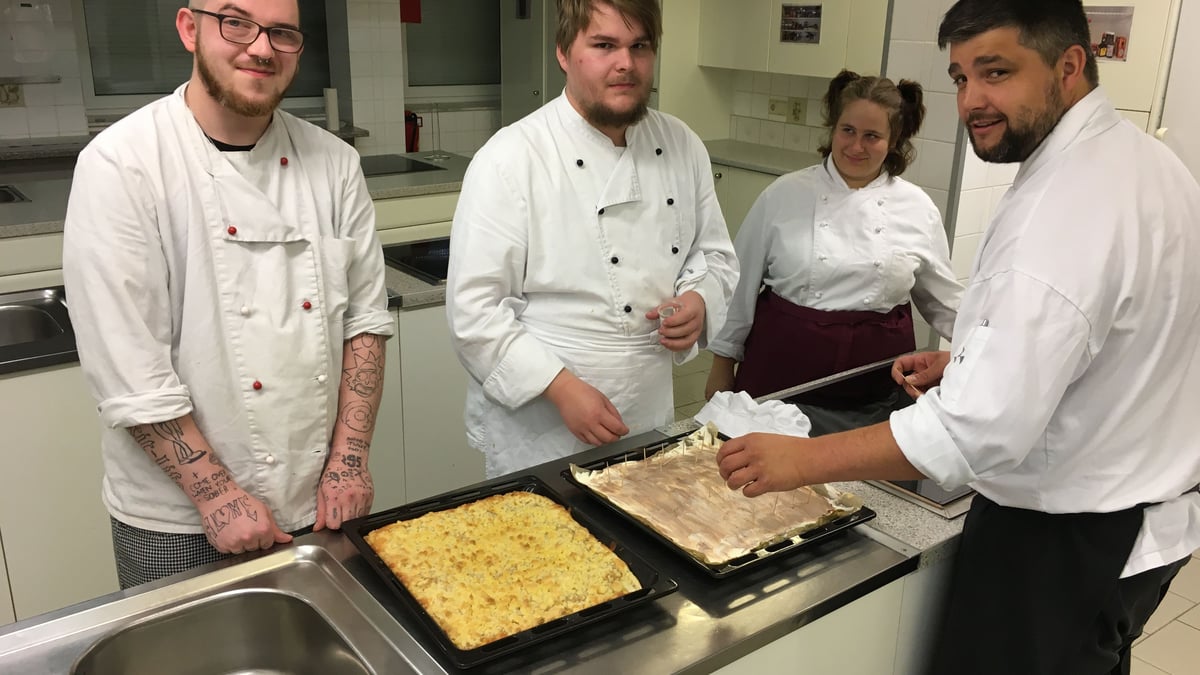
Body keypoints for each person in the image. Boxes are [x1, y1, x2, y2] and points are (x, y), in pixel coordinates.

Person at [714, 1, 1200, 672]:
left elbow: (974, 432)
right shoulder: (1149, 162)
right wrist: (971, 358)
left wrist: (800, 460)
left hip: (1068, 532)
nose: (972, 99)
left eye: (996, 71)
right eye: (960, 77)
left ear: (1069, 65)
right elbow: (1117, 333)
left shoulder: (1064, 209)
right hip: (1144, 516)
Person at [62, 0, 394, 588]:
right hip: (180, 522)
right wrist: (214, 494)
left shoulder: (336, 164)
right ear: (190, 28)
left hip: (321, 500)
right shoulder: (122, 164)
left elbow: (364, 323)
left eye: (282, 33)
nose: (261, 48)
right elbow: (129, 366)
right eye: (236, 23)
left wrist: (349, 463)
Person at [446, 0, 738, 478]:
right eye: (604, 45)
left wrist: (699, 300)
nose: (625, 63)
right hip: (540, 424)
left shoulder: (683, 145)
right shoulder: (511, 159)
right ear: (563, 52)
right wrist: (561, 388)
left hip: (646, 410)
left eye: (639, 46)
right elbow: (473, 312)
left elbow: (714, 256)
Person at [705, 71, 961, 406]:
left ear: (894, 141)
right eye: (848, 130)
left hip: (877, 376)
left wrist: (982, 353)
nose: (856, 146)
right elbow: (739, 284)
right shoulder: (785, 194)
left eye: (872, 136)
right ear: (833, 129)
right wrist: (722, 364)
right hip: (784, 365)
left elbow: (942, 300)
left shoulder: (917, 208)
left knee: (862, 458)